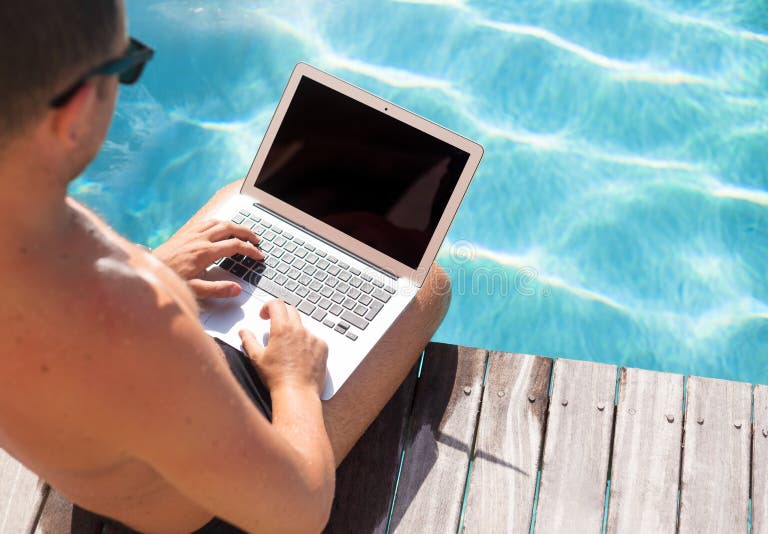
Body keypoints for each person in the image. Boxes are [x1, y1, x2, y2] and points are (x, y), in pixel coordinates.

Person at [0, 1, 451, 532]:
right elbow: (299, 514)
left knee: (240, 198)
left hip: (113, 444)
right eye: (125, 65)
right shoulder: (143, 325)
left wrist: (156, 265)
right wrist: (294, 381)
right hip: (213, 508)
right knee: (429, 285)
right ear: (75, 111)